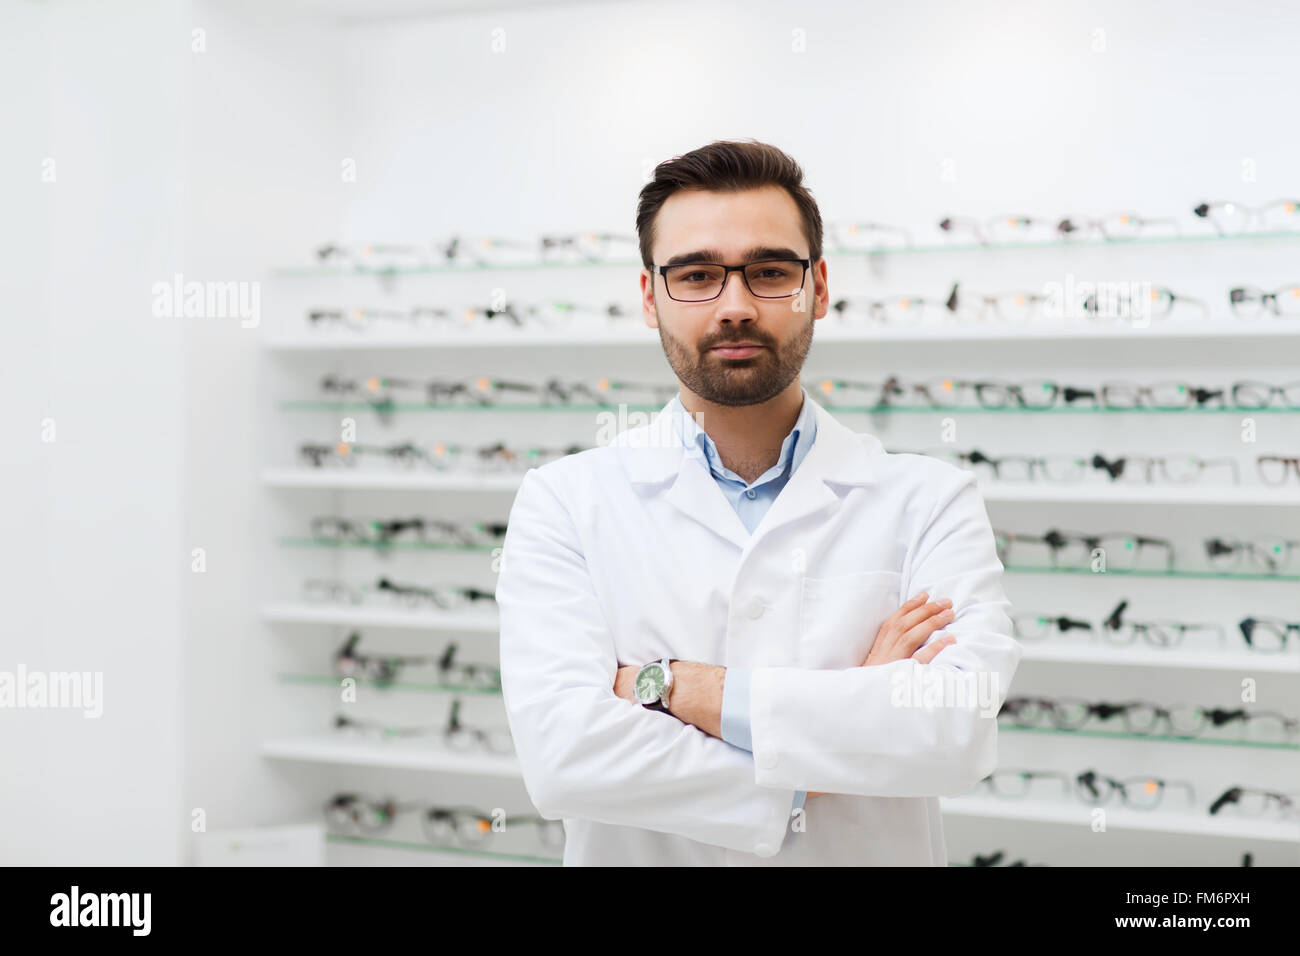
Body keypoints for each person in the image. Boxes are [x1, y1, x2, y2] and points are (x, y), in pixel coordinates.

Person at [495, 139, 1021, 865]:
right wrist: (836, 745)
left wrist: (673, 687)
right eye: (698, 275)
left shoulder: (928, 499)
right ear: (650, 296)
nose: (735, 306)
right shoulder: (565, 502)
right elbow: (564, 756)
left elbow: (953, 733)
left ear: (820, 287)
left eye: (770, 272)